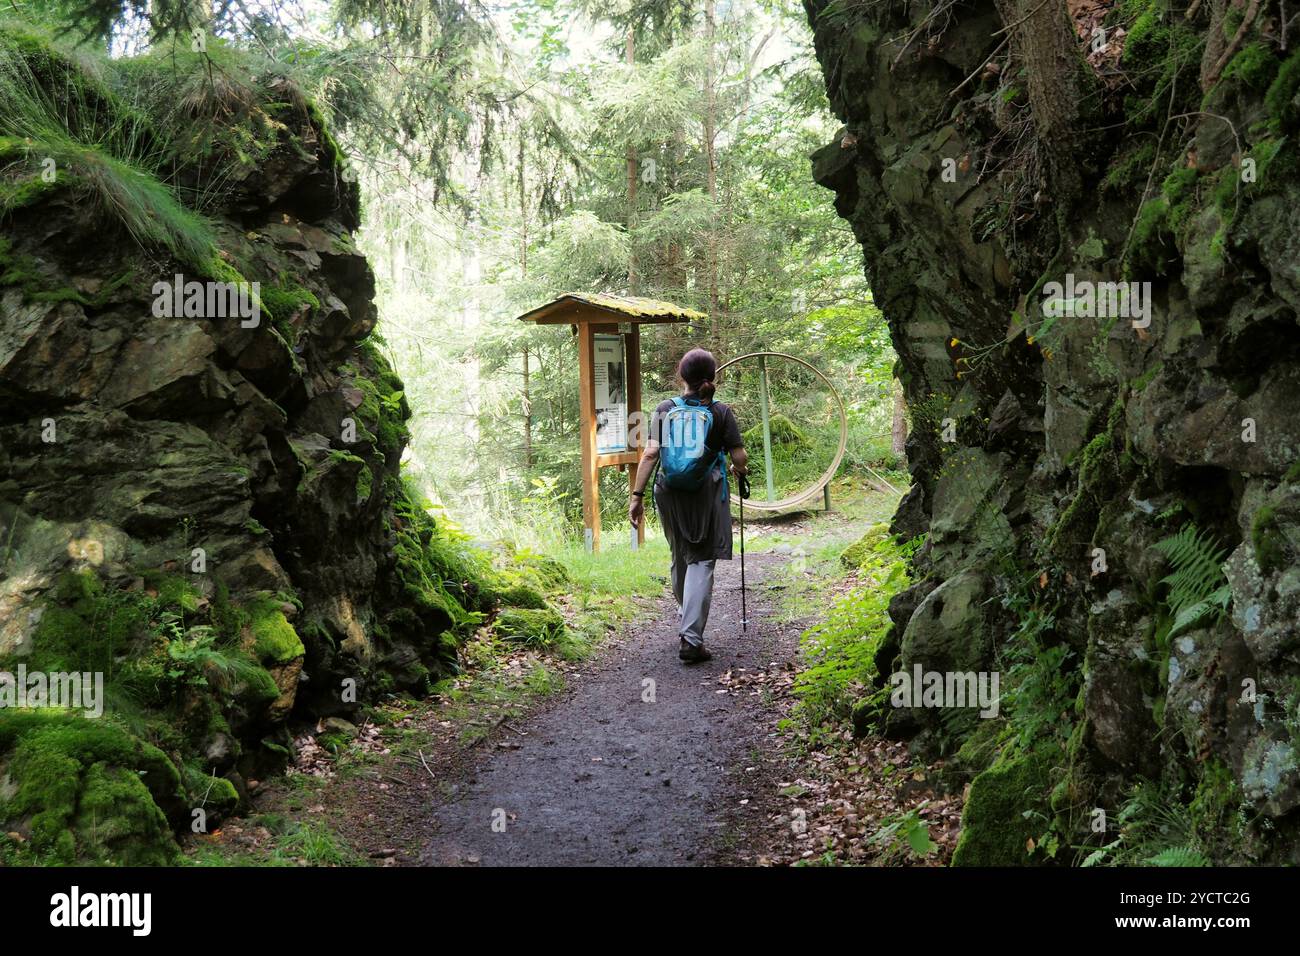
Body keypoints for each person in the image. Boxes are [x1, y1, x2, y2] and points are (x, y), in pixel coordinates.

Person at [629, 348, 748, 663]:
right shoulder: (721, 412)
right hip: (705, 492)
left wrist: (636, 496)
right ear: (712, 377)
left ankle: (686, 616)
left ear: (681, 376)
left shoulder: (665, 408)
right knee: (702, 559)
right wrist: (740, 470)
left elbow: (651, 454)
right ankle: (691, 639)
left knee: (681, 553)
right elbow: (739, 457)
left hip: (668, 492)